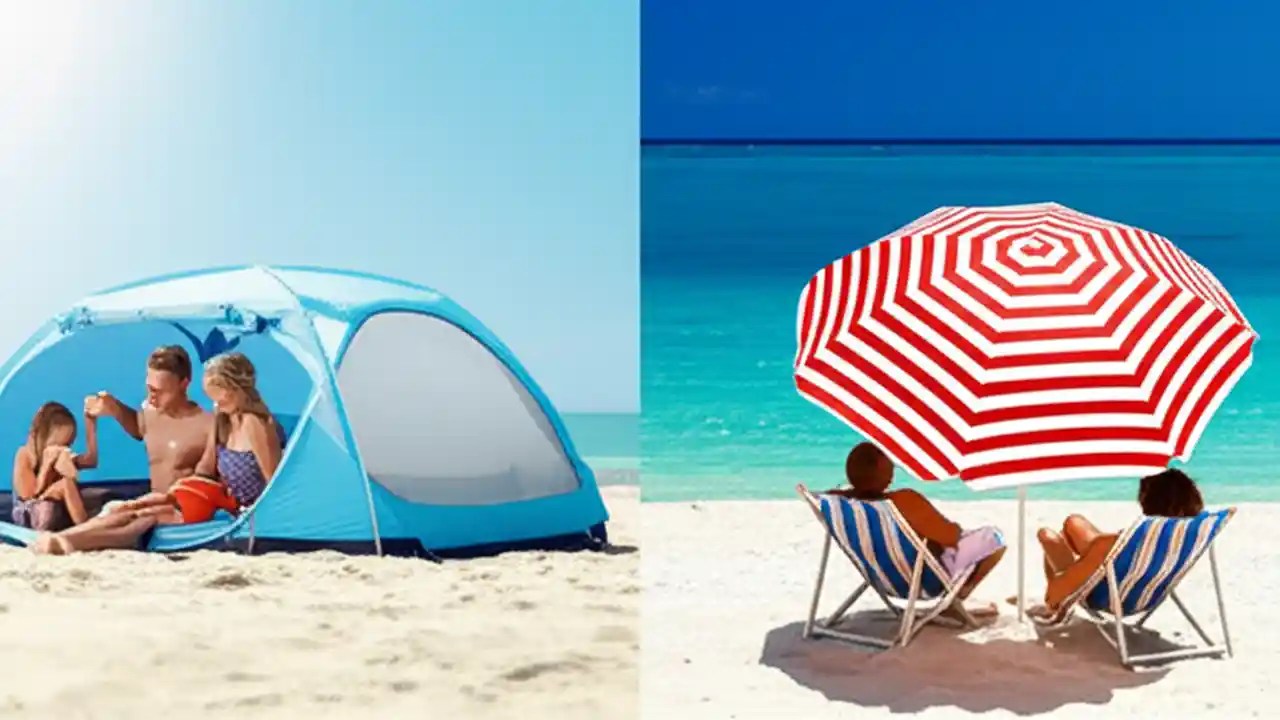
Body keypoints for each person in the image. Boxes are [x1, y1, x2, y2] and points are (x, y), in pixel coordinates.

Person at [828, 442, 1006, 617]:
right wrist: (954, 529)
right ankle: (957, 597)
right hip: (926, 581)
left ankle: (955, 598)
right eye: (888, 462)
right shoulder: (903, 500)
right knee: (995, 538)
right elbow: (951, 537)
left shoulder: (845, 505)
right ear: (878, 469)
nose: (893, 467)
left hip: (882, 578)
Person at [106, 351, 283, 524]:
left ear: (236, 390)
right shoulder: (224, 420)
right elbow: (205, 471)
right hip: (224, 504)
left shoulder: (255, 424)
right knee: (130, 509)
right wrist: (177, 490)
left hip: (247, 512)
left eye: (221, 400)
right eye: (213, 400)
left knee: (143, 517)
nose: (217, 406)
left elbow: (276, 483)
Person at [1029, 468, 1204, 618]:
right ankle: (1073, 545)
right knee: (1073, 522)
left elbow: (1053, 595)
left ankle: (1056, 611)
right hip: (1148, 591)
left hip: (1111, 596)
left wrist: (1055, 559)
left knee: (1048, 535)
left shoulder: (1108, 544)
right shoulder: (1186, 535)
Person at [85, 344, 214, 497]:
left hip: (185, 508)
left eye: (159, 391)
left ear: (183, 384)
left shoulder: (208, 426)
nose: (151, 396)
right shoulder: (149, 413)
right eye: (149, 388)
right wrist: (115, 408)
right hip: (153, 501)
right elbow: (140, 430)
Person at [10, 401, 99, 528]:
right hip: (29, 515)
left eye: (67, 444)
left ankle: (86, 528)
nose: (62, 449)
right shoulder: (24, 455)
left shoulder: (60, 457)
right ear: (40, 437)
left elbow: (91, 461)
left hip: (52, 511)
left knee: (77, 489)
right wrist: (46, 467)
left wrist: (90, 422)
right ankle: (86, 529)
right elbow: (29, 495)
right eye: (57, 444)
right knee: (65, 485)